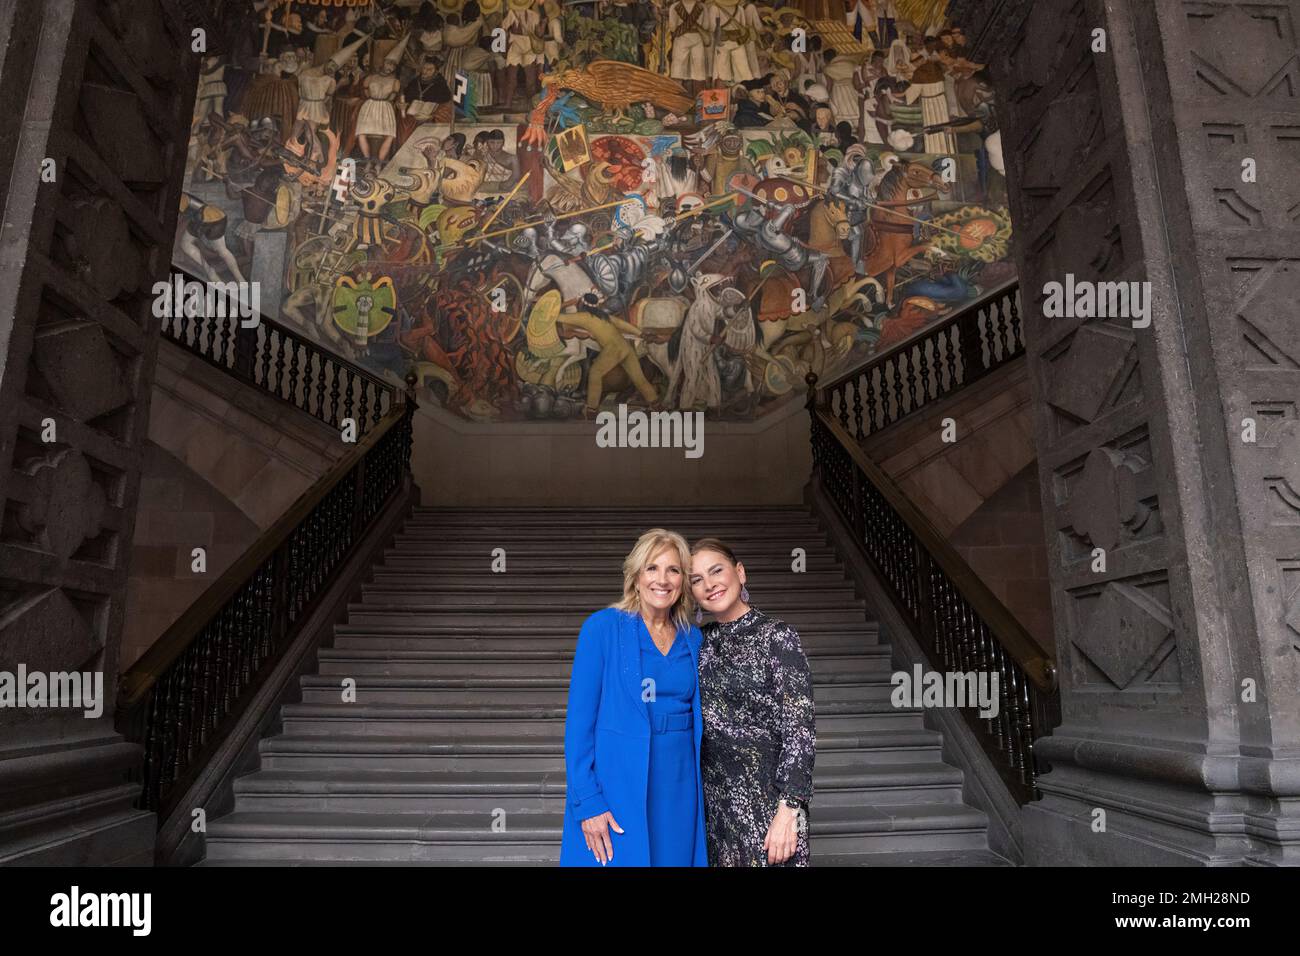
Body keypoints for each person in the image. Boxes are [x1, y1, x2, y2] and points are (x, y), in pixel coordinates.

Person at [560, 530, 708, 867]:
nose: (662, 579)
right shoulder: (601, 629)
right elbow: (579, 726)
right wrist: (588, 801)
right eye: (652, 568)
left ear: (683, 581)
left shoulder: (694, 638)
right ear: (636, 576)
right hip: (617, 783)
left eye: (673, 570)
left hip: (679, 785)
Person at [690, 537, 815, 866]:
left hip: (769, 806)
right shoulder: (697, 643)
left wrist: (789, 811)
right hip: (713, 810)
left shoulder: (777, 636)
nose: (709, 584)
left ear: (740, 572)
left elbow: (799, 730)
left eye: (716, 571)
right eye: (697, 580)